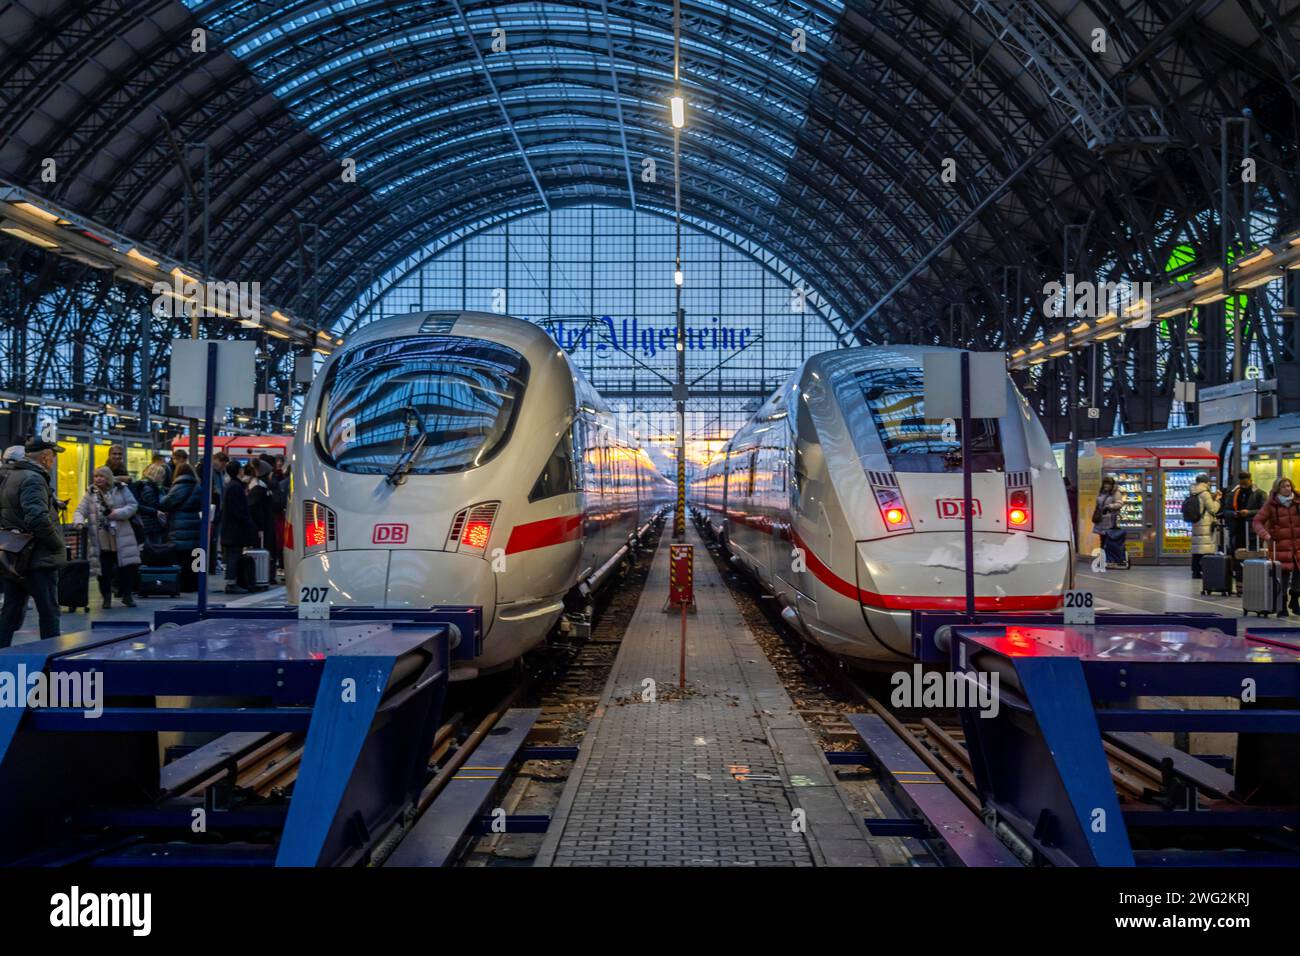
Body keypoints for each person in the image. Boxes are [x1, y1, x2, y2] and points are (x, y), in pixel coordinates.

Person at [0, 439, 66, 646]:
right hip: (37, 558)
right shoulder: (33, 479)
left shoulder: (11, 477)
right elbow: (37, 518)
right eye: (53, 456)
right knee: (49, 612)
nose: (53, 461)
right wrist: (57, 544)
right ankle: (51, 663)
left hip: (13, 556)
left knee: (10, 611)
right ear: (46, 456)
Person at [72, 466, 141, 609]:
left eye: (101, 476)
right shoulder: (90, 493)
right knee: (103, 570)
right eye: (96, 476)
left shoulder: (121, 489)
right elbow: (81, 509)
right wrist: (78, 521)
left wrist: (116, 513)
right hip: (101, 538)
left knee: (127, 568)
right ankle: (106, 597)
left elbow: (133, 506)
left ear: (108, 478)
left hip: (121, 537)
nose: (98, 479)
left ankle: (127, 595)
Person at [1253, 477, 1300, 616]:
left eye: (1289, 486)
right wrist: (1265, 535)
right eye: (1284, 486)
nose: (1288, 488)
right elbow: (1257, 521)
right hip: (1279, 546)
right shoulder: (1271, 505)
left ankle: (1295, 600)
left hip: (1297, 545)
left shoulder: (1297, 502)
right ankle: (1282, 605)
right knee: (1283, 577)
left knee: (1299, 573)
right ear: (1277, 489)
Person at [159, 462, 205, 576]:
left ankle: (182, 582)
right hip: (194, 524)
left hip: (178, 525)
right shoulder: (198, 487)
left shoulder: (178, 486)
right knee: (193, 555)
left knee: (180, 556)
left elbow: (165, 503)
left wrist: (161, 496)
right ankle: (194, 581)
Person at [220, 461, 259, 594]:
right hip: (234, 529)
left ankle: (233, 582)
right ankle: (231, 583)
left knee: (234, 555)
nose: (243, 471)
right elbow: (239, 510)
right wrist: (248, 524)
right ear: (238, 471)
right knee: (233, 555)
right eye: (241, 469)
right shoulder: (235, 487)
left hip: (231, 528)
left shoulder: (232, 486)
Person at [1188, 474, 1221, 579]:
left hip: (1197, 522)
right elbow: (1213, 509)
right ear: (1206, 482)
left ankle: (1195, 571)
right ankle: (1207, 571)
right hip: (1205, 523)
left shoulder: (1193, 492)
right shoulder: (1205, 493)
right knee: (1206, 549)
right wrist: (1217, 500)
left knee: (1197, 549)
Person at [1092, 476, 1128, 568]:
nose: (1106, 485)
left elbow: (1120, 504)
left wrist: (1109, 506)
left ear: (1111, 484)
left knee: (1109, 540)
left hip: (1110, 520)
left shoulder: (1115, 493)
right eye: (1105, 483)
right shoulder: (1102, 492)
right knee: (1102, 540)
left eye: (1108, 484)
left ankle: (1110, 559)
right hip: (1101, 520)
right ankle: (1103, 559)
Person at [133, 462, 169, 550]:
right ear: (156, 475)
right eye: (162, 476)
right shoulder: (148, 487)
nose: (163, 479)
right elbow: (154, 505)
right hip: (151, 525)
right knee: (154, 549)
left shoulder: (146, 486)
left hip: (148, 524)